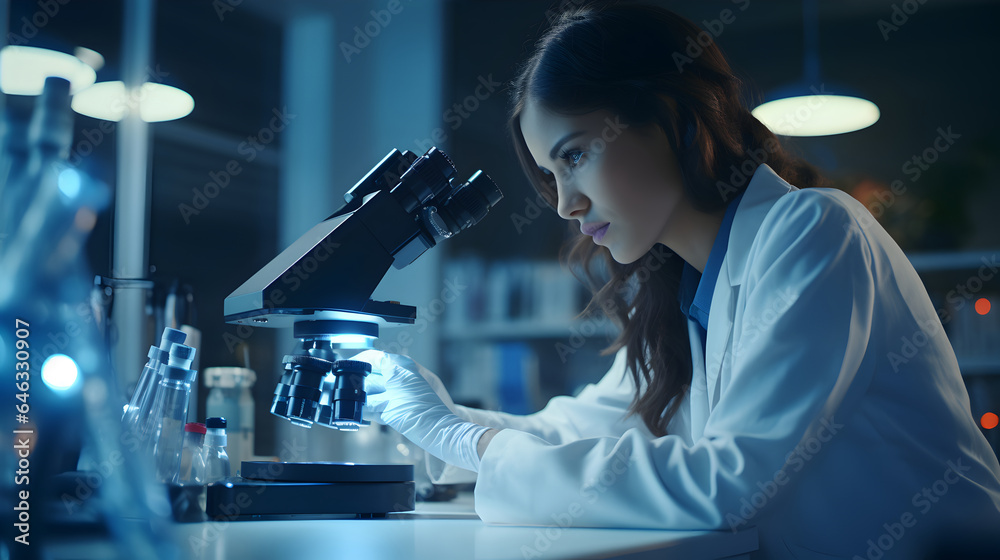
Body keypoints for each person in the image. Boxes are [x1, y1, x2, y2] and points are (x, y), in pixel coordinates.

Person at [354, 2, 1000, 558]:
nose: (564, 204)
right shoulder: (673, 282)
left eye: (575, 154)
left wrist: (464, 438)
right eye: (552, 174)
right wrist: (435, 417)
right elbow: (593, 424)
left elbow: (725, 484)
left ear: (672, 117)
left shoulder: (816, 231)